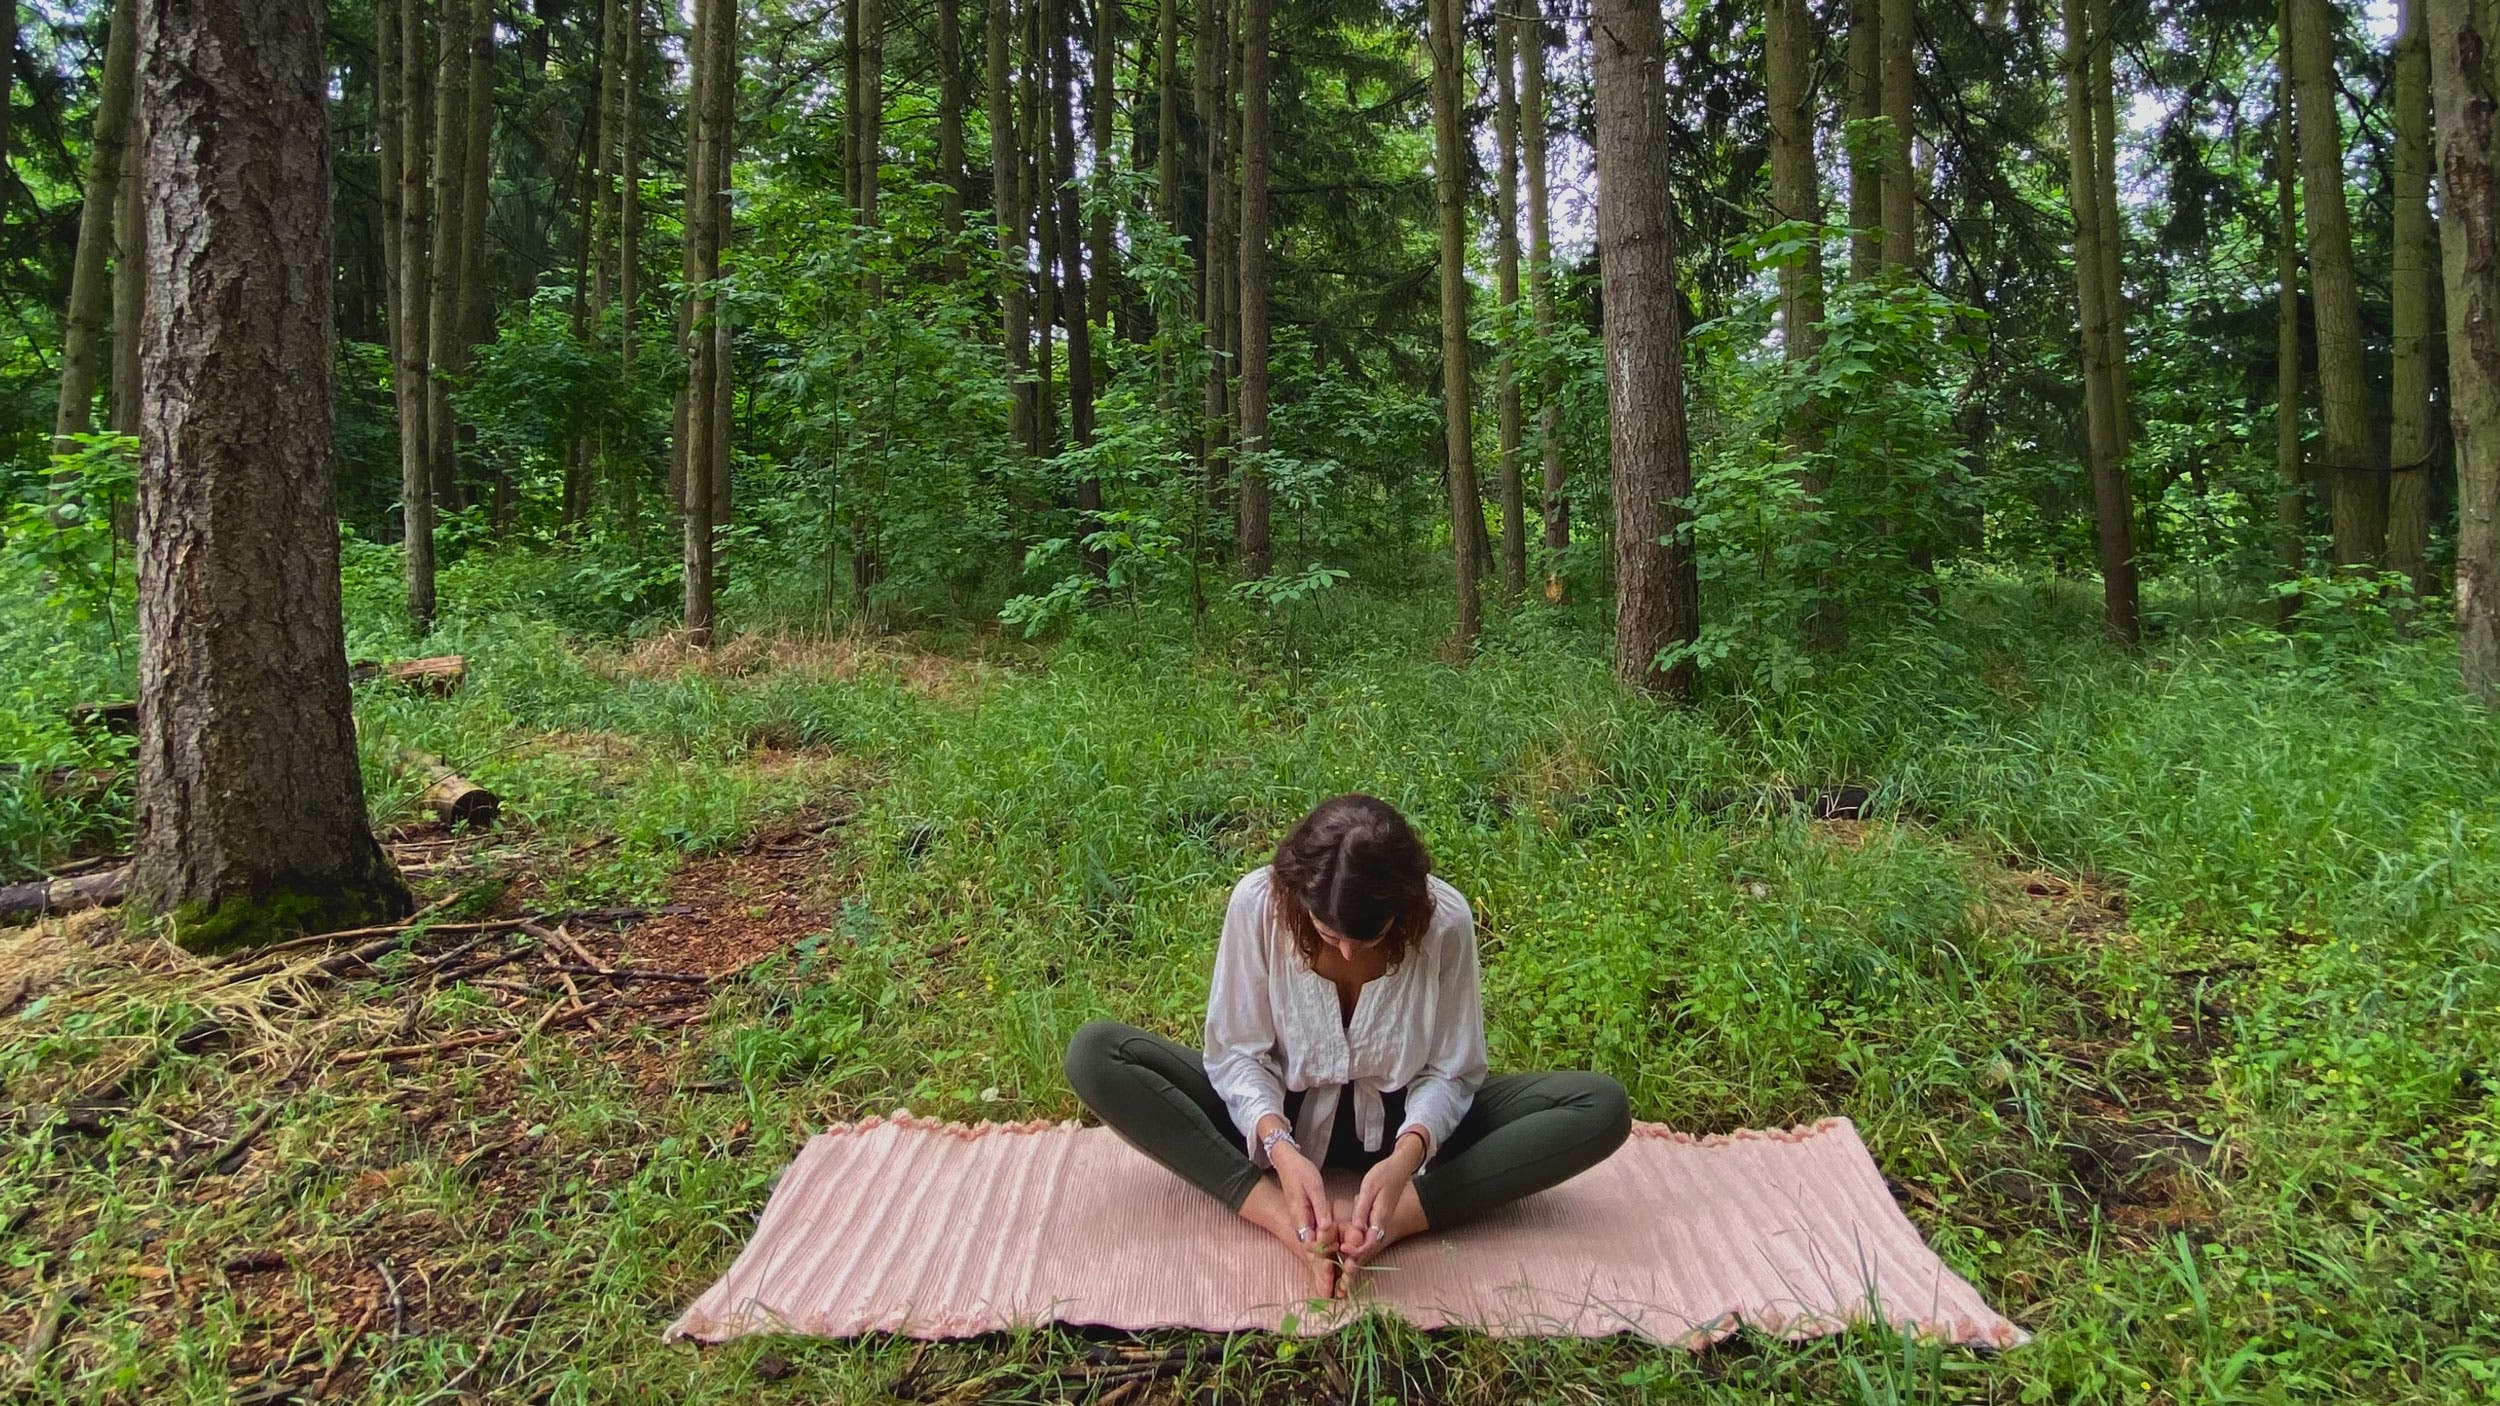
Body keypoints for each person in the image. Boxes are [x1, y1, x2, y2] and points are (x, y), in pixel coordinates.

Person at [1065, 793, 1632, 1299]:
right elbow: (1238, 1054)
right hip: (1276, 1116)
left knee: (1599, 1106)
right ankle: (1288, 1223)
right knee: (1096, 1053)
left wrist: (1406, 1159)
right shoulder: (1258, 904)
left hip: (1402, 1121)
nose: (1344, 951)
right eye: (1327, 931)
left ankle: (1391, 1220)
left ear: (1404, 911)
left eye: (1366, 937)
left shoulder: (1446, 920)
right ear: (1296, 894)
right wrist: (1281, 1151)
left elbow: (1452, 1071)